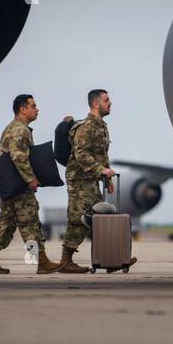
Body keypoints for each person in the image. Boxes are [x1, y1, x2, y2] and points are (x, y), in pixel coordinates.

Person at [0, 95, 61, 274]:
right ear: (23, 109)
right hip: (20, 187)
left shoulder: (12, 127)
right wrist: (30, 178)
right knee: (30, 225)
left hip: (11, 186)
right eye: (33, 106)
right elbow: (18, 156)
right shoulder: (20, 130)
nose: (37, 109)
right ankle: (41, 261)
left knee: (6, 224)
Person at [58, 89, 131, 274]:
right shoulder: (86, 127)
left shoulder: (101, 126)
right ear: (96, 104)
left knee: (100, 220)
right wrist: (101, 170)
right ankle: (66, 262)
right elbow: (80, 154)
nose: (110, 103)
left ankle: (111, 259)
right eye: (107, 100)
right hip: (79, 181)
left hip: (92, 180)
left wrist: (107, 179)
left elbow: (102, 155)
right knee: (80, 219)